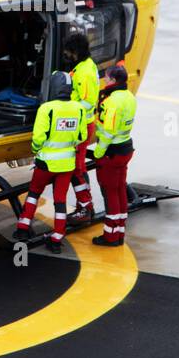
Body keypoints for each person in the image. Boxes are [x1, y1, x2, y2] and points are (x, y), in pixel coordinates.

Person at [16, 71, 85, 252]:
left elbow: (38, 137)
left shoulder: (47, 108)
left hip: (46, 163)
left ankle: (23, 228)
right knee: (60, 200)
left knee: (34, 194)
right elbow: (82, 136)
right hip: (67, 164)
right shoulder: (78, 109)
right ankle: (57, 238)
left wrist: (36, 150)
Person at [91, 64, 137, 247]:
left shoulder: (111, 102)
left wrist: (98, 152)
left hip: (111, 153)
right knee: (119, 191)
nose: (105, 80)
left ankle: (110, 237)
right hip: (125, 148)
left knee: (110, 193)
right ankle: (119, 232)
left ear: (114, 80)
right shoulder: (129, 97)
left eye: (107, 78)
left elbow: (108, 132)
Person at [62, 31, 100, 222]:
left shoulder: (83, 73)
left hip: (81, 127)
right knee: (78, 167)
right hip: (81, 125)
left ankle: (86, 206)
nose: (66, 55)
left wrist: (64, 108)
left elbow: (86, 102)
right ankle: (85, 204)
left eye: (68, 52)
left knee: (77, 168)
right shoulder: (85, 66)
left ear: (75, 52)